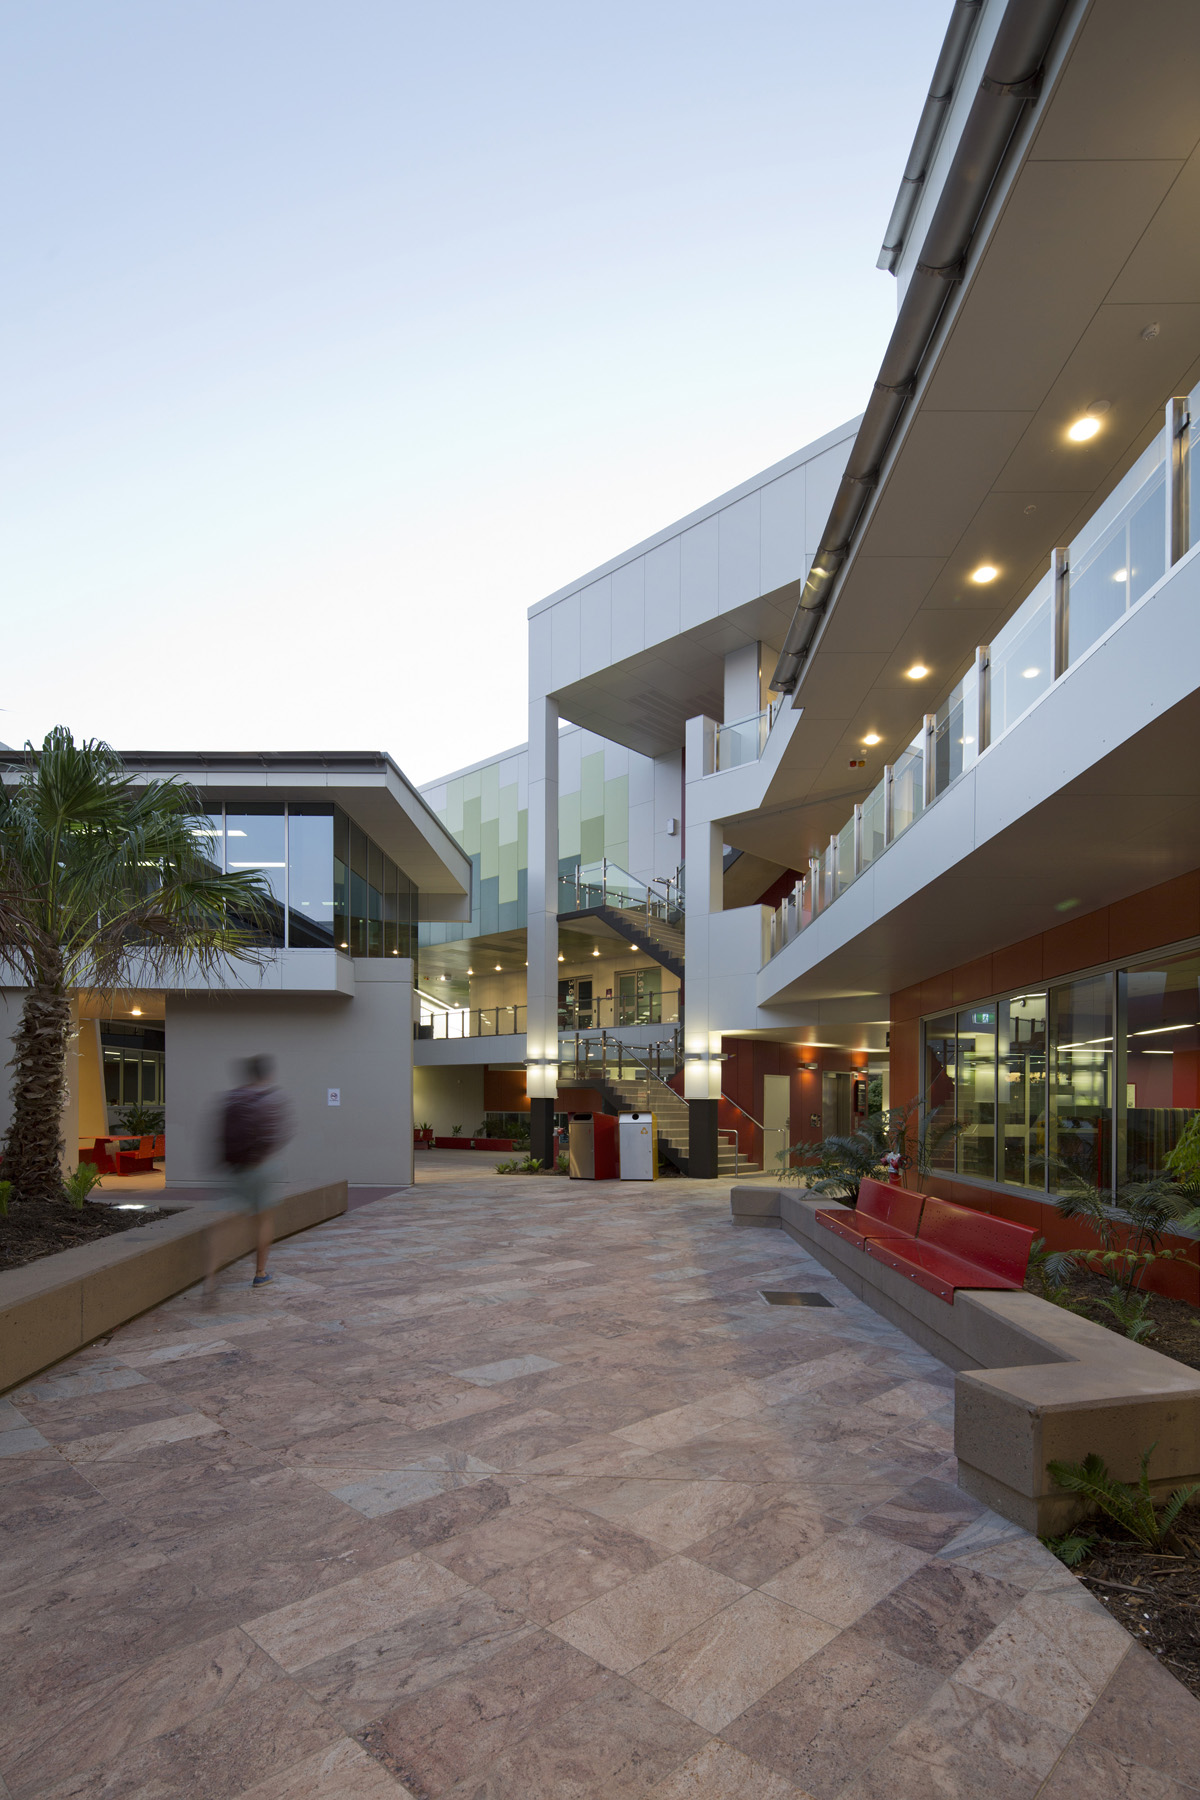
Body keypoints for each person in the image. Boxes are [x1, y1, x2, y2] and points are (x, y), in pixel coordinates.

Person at [204, 1053, 294, 1297]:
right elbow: (280, 1134)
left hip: (235, 1169)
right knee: (263, 1220)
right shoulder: (272, 1098)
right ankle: (260, 1274)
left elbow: (218, 1136)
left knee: (231, 1219)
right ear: (267, 1074)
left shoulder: (231, 1097)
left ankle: (211, 1276)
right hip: (261, 1167)